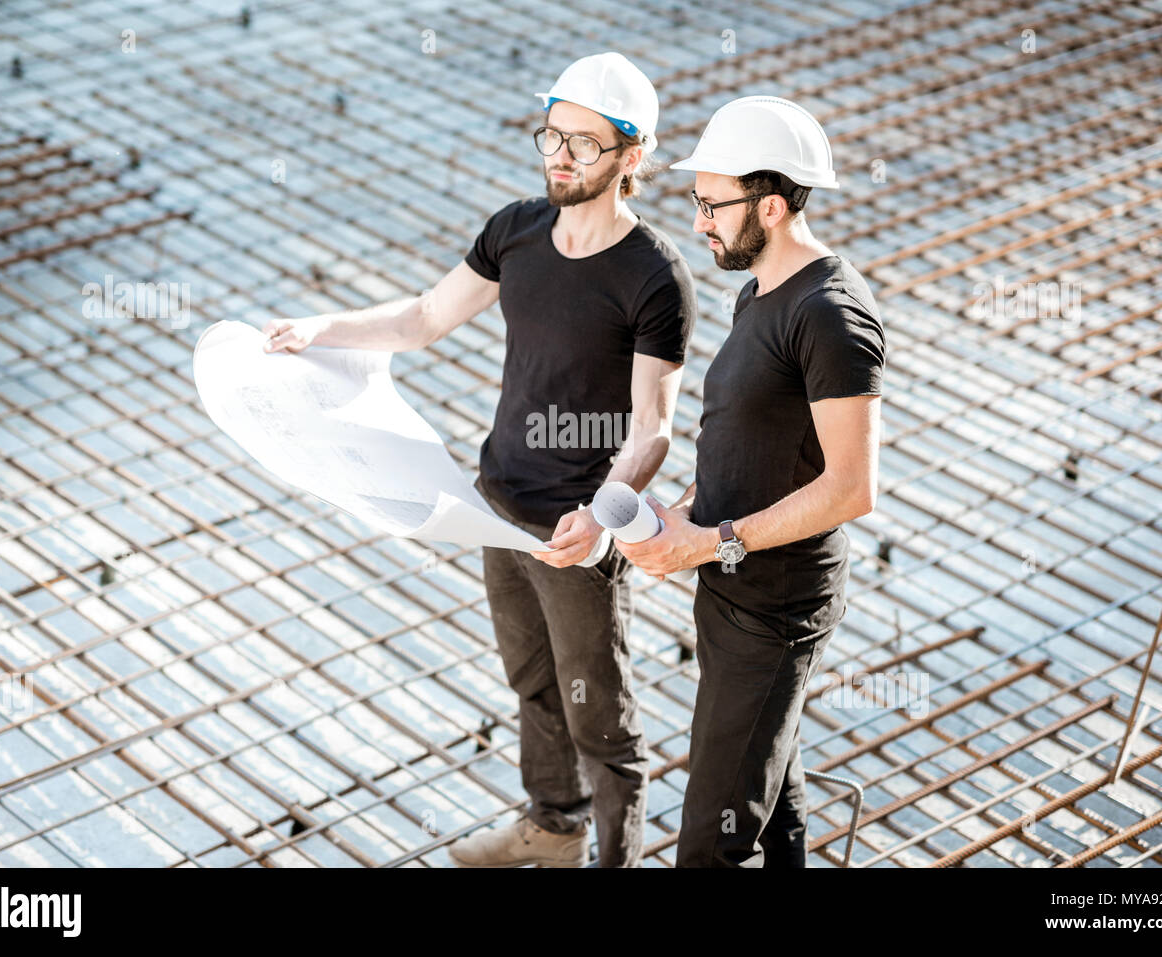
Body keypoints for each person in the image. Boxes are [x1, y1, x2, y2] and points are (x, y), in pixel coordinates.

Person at [264, 52, 697, 867]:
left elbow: (653, 427)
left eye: (585, 144)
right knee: (534, 681)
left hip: (577, 529)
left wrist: (603, 516)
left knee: (600, 712)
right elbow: (425, 318)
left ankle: (618, 857)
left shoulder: (656, 277)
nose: (559, 156)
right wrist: (327, 326)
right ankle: (555, 826)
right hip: (496, 505)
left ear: (632, 159)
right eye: (552, 136)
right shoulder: (516, 230)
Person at [614, 96, 885, 867]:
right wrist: (687, 515)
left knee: (710, 842)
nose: (698, 221)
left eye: (711, 204)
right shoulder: (757, 287)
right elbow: (747, 438)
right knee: (773, 810)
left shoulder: (831, 316)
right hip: (732, 590)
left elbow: (852, 488)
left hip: (776, 610)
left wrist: (713, 541)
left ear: (770, 204)